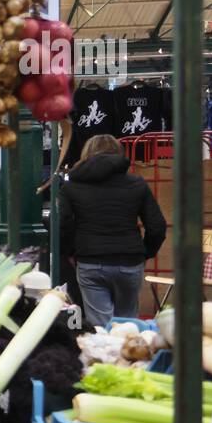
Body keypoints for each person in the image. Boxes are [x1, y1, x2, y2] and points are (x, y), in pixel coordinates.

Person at [58, 134, 166, 329]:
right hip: (130, 261)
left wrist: (71, 252)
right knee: (128, 325)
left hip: (90, 261)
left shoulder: (70, 187)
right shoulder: (137, 184)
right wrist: (145, 252)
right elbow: (157, 226)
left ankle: (104, 357)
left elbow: (64, 225)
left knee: (101, 327)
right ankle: (129, 356)